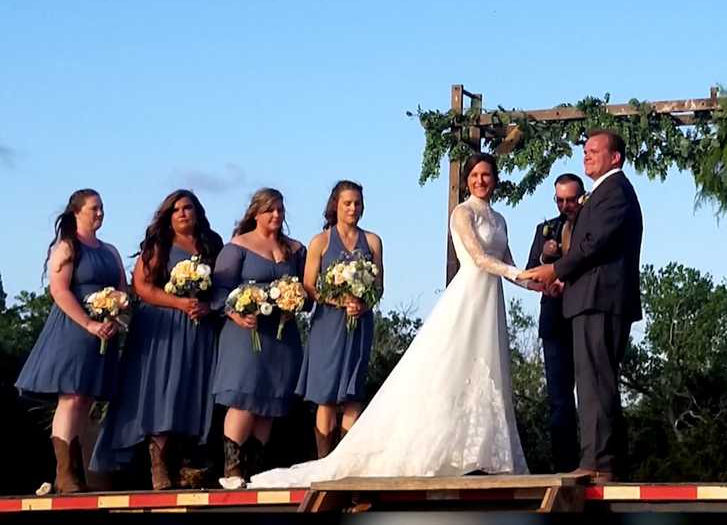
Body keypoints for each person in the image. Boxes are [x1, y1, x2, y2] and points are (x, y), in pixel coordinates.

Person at [250, 153, 534, 486]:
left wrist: (539, 282)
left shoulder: (499, 220)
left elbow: (508, 262)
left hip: (490, 300)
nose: (480, 180)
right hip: (467, 295)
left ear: (495, 179)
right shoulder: (462, 213)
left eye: (486, 174)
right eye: (474, 174)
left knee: (485, 369)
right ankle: (332, 458)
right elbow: (479, 258)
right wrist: (517, 273)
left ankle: (479, 453)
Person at [521, 129, 644, 484]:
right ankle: (601, 459)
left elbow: (593, 244)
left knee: (596, 381)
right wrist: (562, 279)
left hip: (600, 299)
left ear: (615, 157)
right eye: (585, 151)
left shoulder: (615, 191)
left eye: (594, 151)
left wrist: (555, 269)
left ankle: (599, 462)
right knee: (592, 381)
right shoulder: (602, 193)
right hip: (589, 296)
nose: (586, 156)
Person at [90, 190, 224, 489]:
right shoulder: (159, 244)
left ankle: (183, 463)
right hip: (163, 327)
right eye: (175, 209)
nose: (182, 213)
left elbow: (221, 286)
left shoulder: (211, 245)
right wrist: (179, 303)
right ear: (167, 215)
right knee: (165, 391)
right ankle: (158, 463)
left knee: (192, 392)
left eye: (187, 208)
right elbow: (141, 286)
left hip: (198, 330)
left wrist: (206, 306)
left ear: (197, 211)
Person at [16, 189, 126, 493]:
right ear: (77, 212)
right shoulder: (67, 246)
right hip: (73, 329)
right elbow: (59, 290)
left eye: (102, 208)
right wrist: (89, 323)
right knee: (72, 397)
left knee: (86, 398)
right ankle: (65, 473)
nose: (100, 213)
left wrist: (114, 316)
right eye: (94, 208)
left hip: (105, 331)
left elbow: (122, 288)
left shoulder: (110, 251)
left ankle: (75, 473)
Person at [210, 188, 308, 488]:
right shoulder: (237, 247)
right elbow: (219, 291)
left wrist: (296, 302)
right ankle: (232, 470)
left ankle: (255, 470)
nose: (276, 215)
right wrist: (236, 313)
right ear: (255, 213)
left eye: (280, 210)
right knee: (245, 398)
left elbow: (307, 291)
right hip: (246, 334)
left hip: (281, 337)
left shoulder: (295, 249)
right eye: (270, 210)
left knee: (269, 402)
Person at [296, 180, 384, 458]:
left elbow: (379, 286)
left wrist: (363, 303)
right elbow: (309, 285)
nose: (353, 208)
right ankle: (324, 461)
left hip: (359, 323)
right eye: (347, 203)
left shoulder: (372, 241)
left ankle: (345, 460)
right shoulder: (320, 242)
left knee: (353, 393)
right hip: (328, 325)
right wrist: (337, 300)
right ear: (336, 205)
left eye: (357, 203)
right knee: (326, 394)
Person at [525, 173, 585, 473]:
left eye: (571, 200)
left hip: (584, 318)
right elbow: (528, 275)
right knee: (559, 399)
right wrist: (543, 261)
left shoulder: (591, 227)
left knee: (589, 394)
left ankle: (593, 462)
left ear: (582, 198)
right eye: (559, 201)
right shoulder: (545, 229)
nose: (565, 206)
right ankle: (564, 466)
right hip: (554, 320)